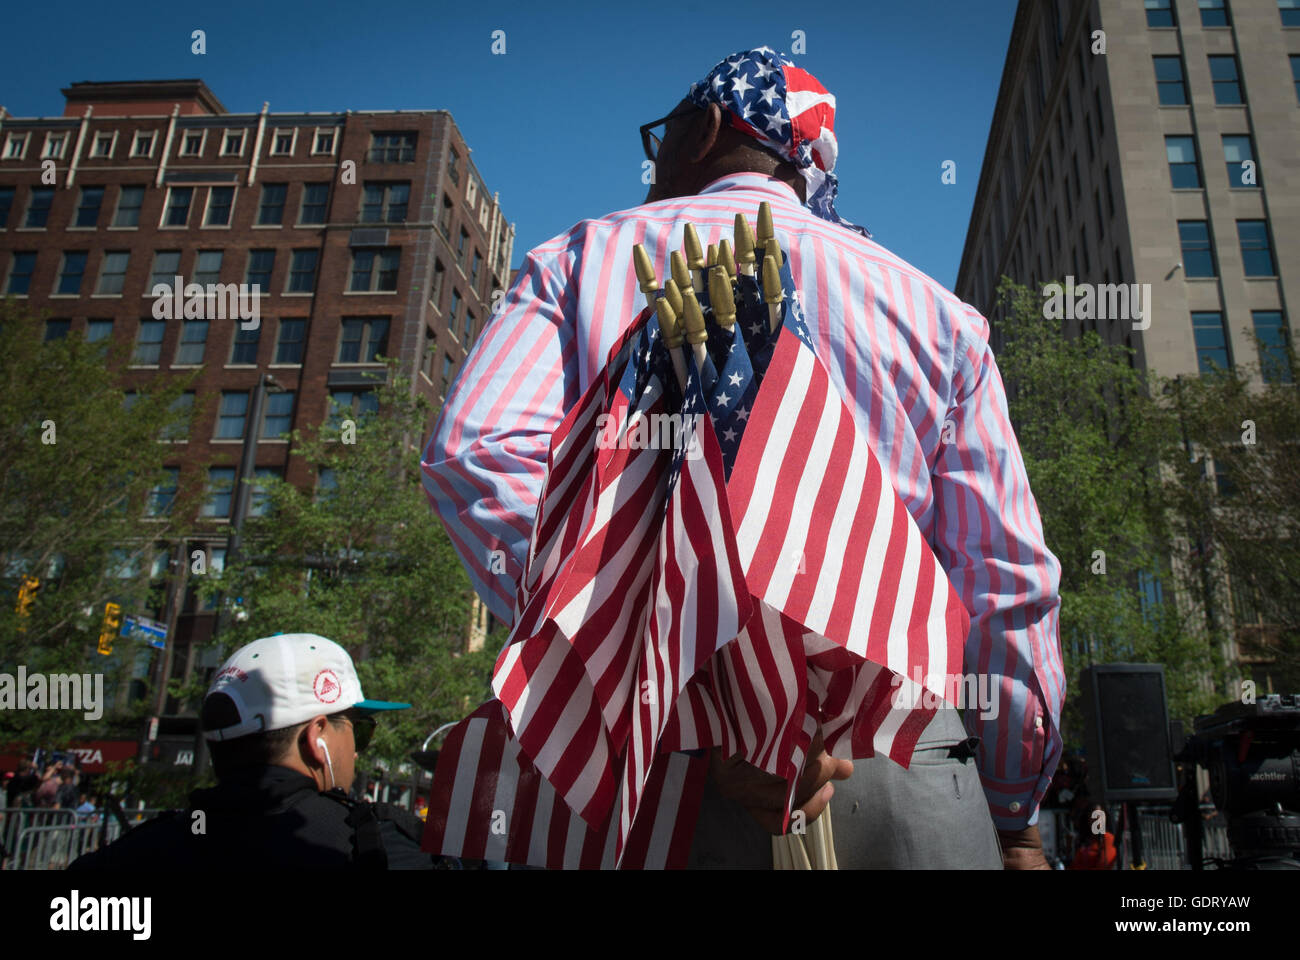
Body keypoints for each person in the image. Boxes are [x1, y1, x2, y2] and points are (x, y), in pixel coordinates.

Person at [423, 46, 1063, 869]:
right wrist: (1014, 811)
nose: (652, 161)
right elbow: (1007, 582)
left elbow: (476, 455)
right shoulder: (937, 315)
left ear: (708, 129)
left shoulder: (578, 262)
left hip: (651, 764)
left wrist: (658, 670)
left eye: (664, 136)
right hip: (904, 764)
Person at [70, 633, 436, 869]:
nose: (357, 752)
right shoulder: (379, 845)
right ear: (317, 734)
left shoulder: (139, 850)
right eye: (360, 729)